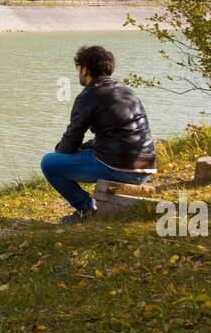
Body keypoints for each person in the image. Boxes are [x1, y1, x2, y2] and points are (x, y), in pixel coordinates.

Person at [41, 45, 157, 224]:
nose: (79, 73)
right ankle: (88, 208)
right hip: (146, 167)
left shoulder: (89, 95)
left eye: (79, 69)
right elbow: (117, 134)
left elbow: (71, 141)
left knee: (49, 163)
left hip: (118, 167)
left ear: (85, 69)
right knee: (84, 154)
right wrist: (87, 146)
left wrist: (60, 150)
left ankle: (86, 209)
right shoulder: (126, 91)